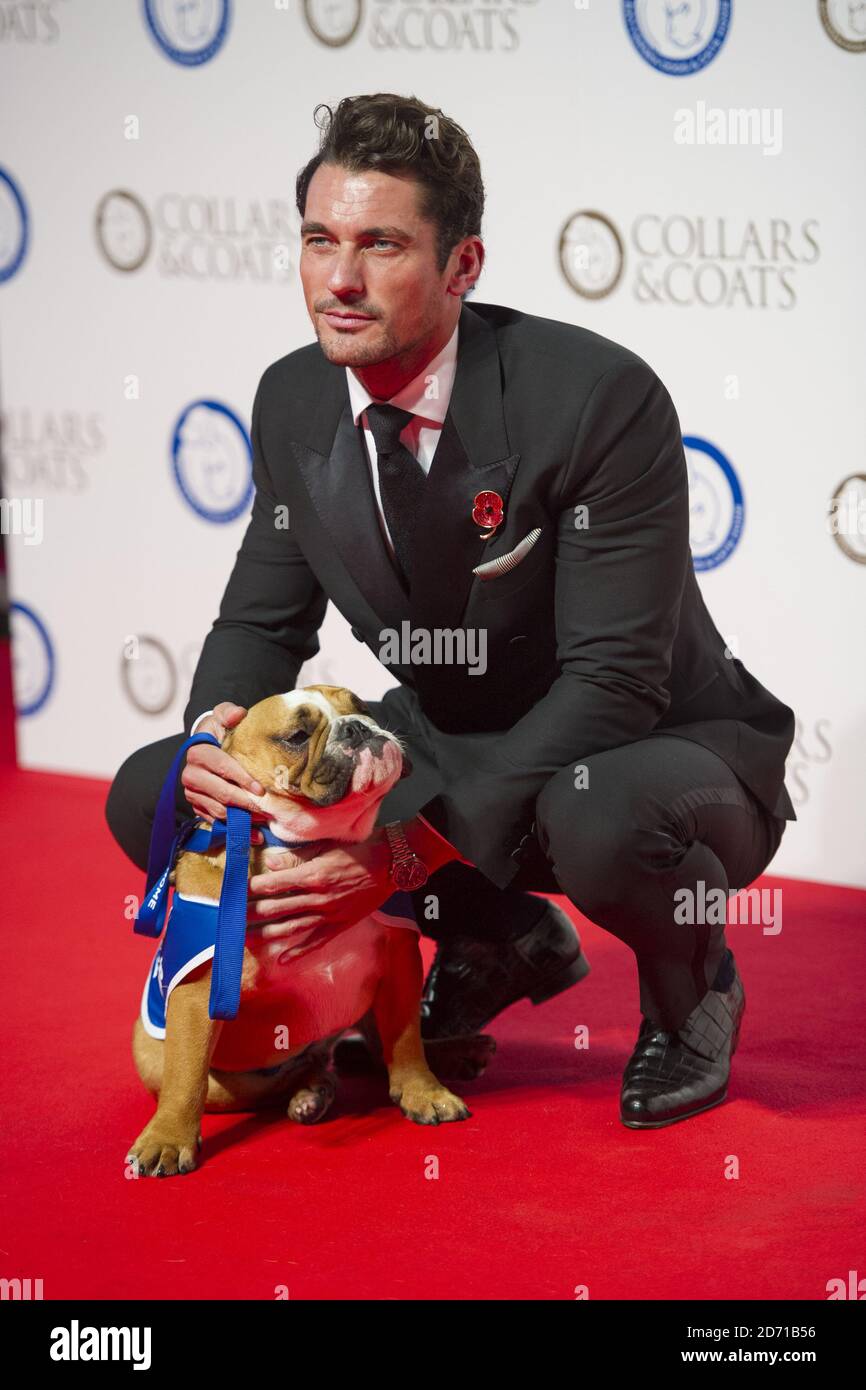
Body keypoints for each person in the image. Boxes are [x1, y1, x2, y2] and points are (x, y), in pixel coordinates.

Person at [106, 92, 796, 1128]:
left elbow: (613, 679)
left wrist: (394, 853)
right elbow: (260, 623)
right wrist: (216, 738)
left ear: (462, 265)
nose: (338, 279)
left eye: (381, 244)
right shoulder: (293, 399)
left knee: (592, 811)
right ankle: (499, 934)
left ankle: (692, 987)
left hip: (659, 741)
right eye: (317, 240)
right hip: (457, 733)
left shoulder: (596, 397)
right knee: (153, 793)